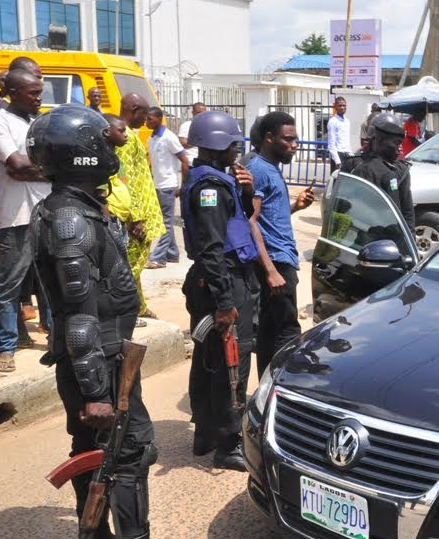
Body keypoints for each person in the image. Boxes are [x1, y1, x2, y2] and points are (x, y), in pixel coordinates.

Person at [27, 105, 195, 539]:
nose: (110, 148)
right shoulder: (69, 222)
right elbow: (78, 315)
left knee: (92, 452)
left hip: (100, 357)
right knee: (129, 455)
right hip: (99, 362)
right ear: (81, 154)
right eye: (100, 142)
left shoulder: (76, 208)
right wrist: (99, 391)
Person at [178, 110, 260, 470]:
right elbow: (212, 246)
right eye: (232, 145)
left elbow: (235, 223)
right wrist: (226, 301)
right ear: (217, 146)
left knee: (209, 357)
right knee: (231, 360)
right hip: (223, 279)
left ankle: (206, 433)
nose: (237, 152)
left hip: (219, 277)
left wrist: (246, 192)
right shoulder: (209, 188)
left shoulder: (216, 180)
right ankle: (228, 442)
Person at [0, 69, 51, 373]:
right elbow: (16, 163)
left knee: (51, 279)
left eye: (40, 91)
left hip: (46, 210)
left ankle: (53, 334)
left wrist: (35, 171)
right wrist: (43, 169)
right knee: (10, 284)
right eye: (33, 93)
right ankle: (7, 346)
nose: (39, 97)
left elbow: (40, 164)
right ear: (12, 92)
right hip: (17, 215)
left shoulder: (40, 121)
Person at [246, 112, 314, 378]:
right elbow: (251, 222)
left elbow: (269, 217)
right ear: (269, 138)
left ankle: (267, 386)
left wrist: (295, 207)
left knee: (270, 331)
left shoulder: (270, 168)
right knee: (287, 332)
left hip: (279, 258)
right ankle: (287, 389)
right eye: (288, 139)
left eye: (296, 139)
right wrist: (271, 270)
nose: (294, 145)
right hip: (276, 262)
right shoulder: (259, 171)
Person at [116, 93, 165, 319]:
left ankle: (139, 306)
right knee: (130, 268)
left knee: (135, 267)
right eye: (144, 114)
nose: (146, 120)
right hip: (136, 217)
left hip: (143, 211)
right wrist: (135, 217)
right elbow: (124, 177)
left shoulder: (131, 135)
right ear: (134, 110)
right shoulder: (123, 137)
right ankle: (128, 312)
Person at [341, 113, 415, 229]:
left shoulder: (401, 169)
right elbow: (341, 205)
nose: (400, 148)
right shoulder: (353, 165)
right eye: (396, 142)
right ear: (377, 139)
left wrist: (409, 239)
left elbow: (407, 212)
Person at [145, 107, 188, 268]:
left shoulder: (169, 137)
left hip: (168, 186)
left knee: (165, 223)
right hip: (157, 185)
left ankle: (158, 258)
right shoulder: (151, 138)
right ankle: (172, 253)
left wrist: (182, 185)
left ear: (159, 119)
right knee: (166, 221)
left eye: (149, 118)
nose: (146, 121)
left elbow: (184, 160)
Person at [327, 96, 351, 173]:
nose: (342, 107)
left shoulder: (347, 121)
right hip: (338, 155)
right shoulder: (333, 122)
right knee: (336, 182)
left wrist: (350, 155)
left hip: (347, 155)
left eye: (344, 105)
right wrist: (337, 161)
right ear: (335, 107)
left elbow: (347, 140)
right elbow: (331, 143)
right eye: (340, 105)